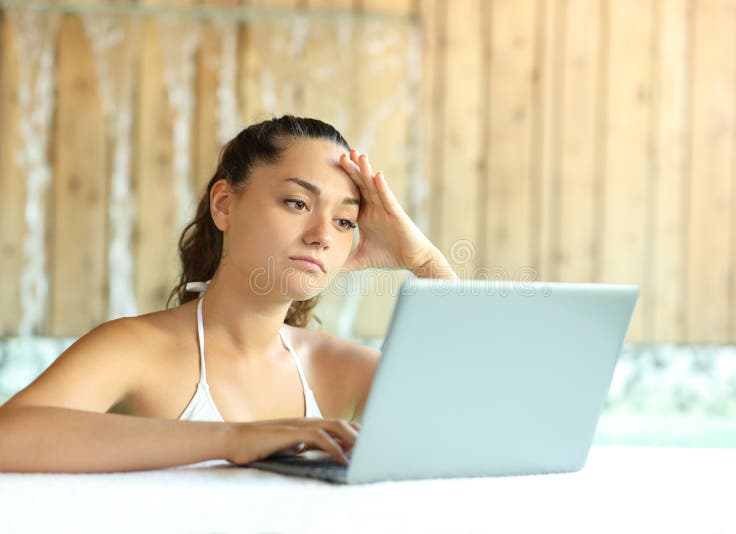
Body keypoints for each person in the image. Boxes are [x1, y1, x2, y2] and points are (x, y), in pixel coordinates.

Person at [0, 115, 457, 473]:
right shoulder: (136, 349)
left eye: (345, 221)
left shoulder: (344, 369)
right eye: (297, 203)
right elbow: (9, 438)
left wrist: (426, 262)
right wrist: (233, 439)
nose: (322, 235)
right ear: (224, 205)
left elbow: (491, 427)